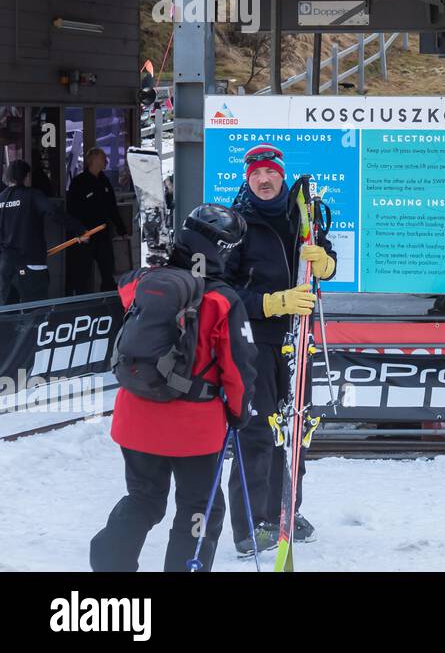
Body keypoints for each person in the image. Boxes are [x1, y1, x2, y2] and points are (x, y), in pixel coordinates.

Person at [89, 204, 257, 572]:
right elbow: (239, 369)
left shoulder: (145, 282)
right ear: (222, 250)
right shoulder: (222, 300)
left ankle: (109, 561)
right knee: (200, 510)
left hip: (135, 417)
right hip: (194, 431)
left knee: (144, 498)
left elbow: (124, 286)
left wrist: (161, 261)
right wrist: (240, 414)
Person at [225, 143, 336, 555]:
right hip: (254, 341)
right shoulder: (236, 223)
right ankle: (251, 523)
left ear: (280, 174)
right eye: (256, 175)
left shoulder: (301, 215)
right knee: (257, 431)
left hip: (298, 337)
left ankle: (284, 511)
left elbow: (329, 259)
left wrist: (325, 262)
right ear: (248, 178)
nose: (264, 180)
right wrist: (272, 302)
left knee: (294, 429)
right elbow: (221, 290)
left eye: (270, 173)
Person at [0, 159, 87, 304]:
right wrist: (79, 230)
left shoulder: (1, 199)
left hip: (5, 265)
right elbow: (53, 212)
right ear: (26, 176)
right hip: (31, 263)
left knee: (7, 314)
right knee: (36, 311)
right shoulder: (32, 195)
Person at [66, 147, 128, 294]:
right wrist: (79, 231)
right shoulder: (79, 182)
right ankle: (81, 306)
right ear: (93, 160)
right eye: (102, 158)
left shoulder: (104, 181)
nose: (106, 161)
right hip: (85, 235)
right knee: (82, 274)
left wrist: (121, 228)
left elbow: (112, 207)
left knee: (108, 272)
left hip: (104, 235)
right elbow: (72, 210)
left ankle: (108, 305)